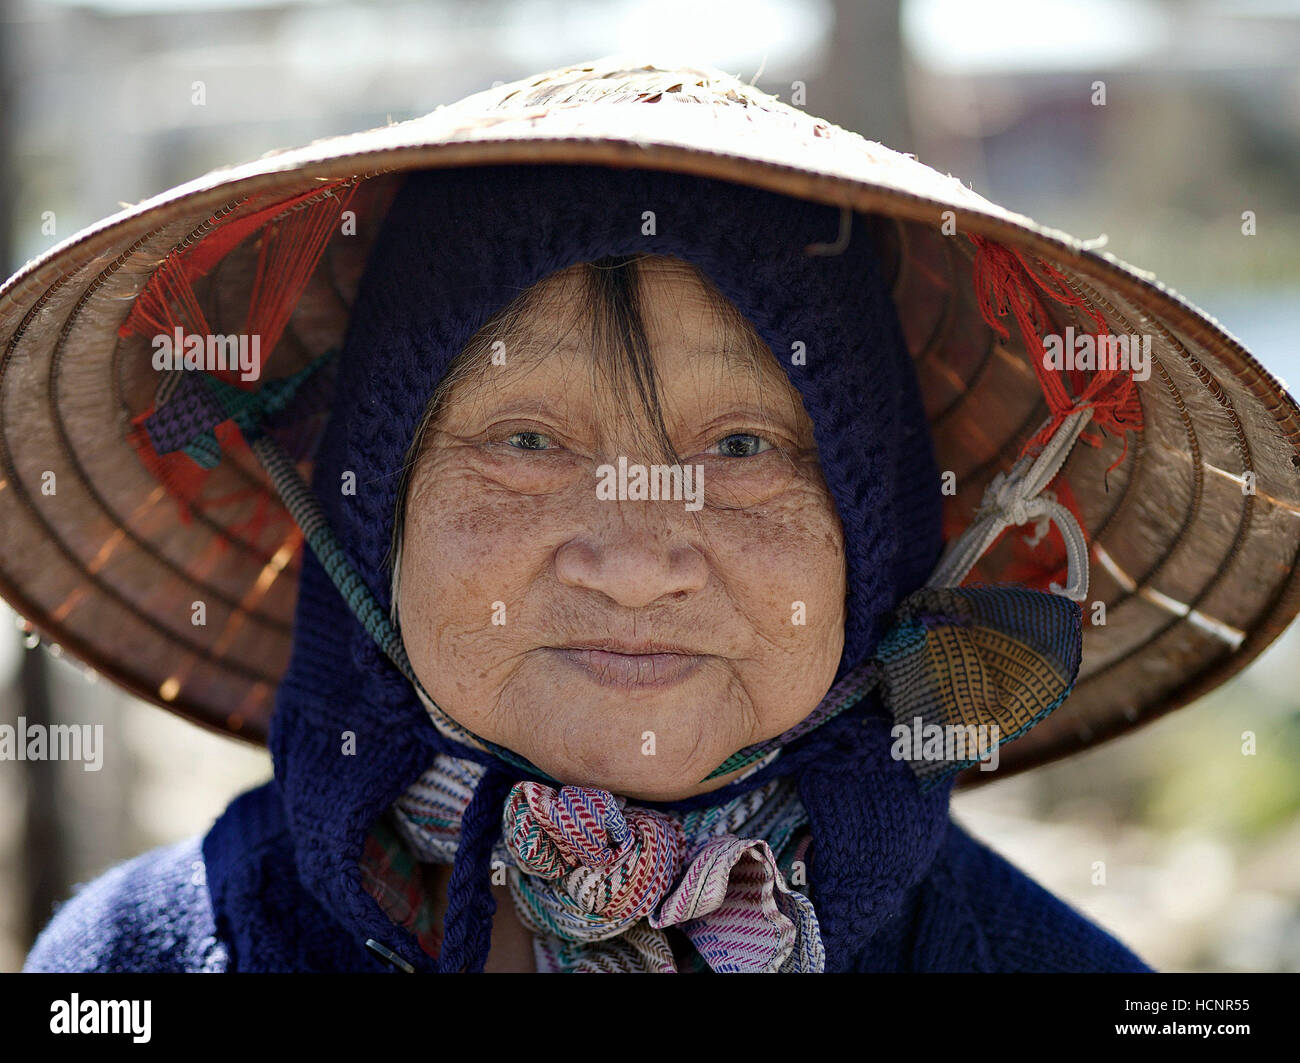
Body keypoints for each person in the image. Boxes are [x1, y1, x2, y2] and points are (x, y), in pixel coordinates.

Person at [11, 58, 1298, 973]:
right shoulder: (136, 964)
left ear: (879, 529)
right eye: (525, 441)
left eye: (742, 449)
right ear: (369, 511)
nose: (632, 562)